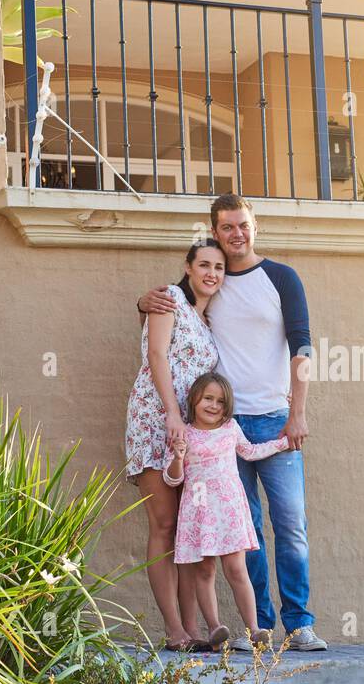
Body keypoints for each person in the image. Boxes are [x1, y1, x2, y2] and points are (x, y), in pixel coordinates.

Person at [138, 194, 327, 651]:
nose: (236, 234)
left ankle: (299, 624)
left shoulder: (281, 277)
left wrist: (298, 412)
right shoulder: (208, 286)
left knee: (291, 522)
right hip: (219, 429)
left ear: (254, 226)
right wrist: (142, 302)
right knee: (244, 530)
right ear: (215, 231)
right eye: (226, 227)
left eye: (242, 225)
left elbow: (302, 346)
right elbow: (170, 313)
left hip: (274, 421)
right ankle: (256, 626)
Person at [125, 238, 225, 651]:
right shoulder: (168, 299)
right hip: (156, 420)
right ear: (188, 267)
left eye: (218, 267)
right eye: (204, 264)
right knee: (164, 525)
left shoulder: (208, 323)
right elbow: (158, 355)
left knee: (188, 529)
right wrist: (171, 412)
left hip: (192, 433)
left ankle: (194, 628)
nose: (211, 273)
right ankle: (173, 629)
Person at [163, 372, 289, 651]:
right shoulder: (185, 434)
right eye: (208, 398)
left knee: (236, 569)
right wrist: (178, 457)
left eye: (220, 401)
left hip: (229, 508)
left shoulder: (230, 428)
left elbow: (250, 452)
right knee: (205, 570)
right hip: (200, 511)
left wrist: (282, 443)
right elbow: (172, 479)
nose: (214, 405)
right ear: (194, 398)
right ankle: (215, 627)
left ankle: (254, 628)